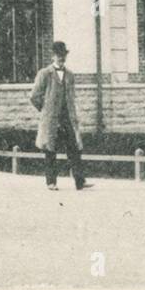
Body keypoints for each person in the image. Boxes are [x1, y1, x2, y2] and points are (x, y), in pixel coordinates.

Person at [30, 41, 91, 192]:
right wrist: (45, 111)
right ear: (52, 56)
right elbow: (34, 96)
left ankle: (80, 181)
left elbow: (71, 97)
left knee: (74, 148)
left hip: (67, 118)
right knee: (50, 150)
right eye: (58, 55)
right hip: (51, 119)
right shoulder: (45, 73)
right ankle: (51, 182)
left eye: (63, 55)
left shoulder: (70, 75)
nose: (61, 58)